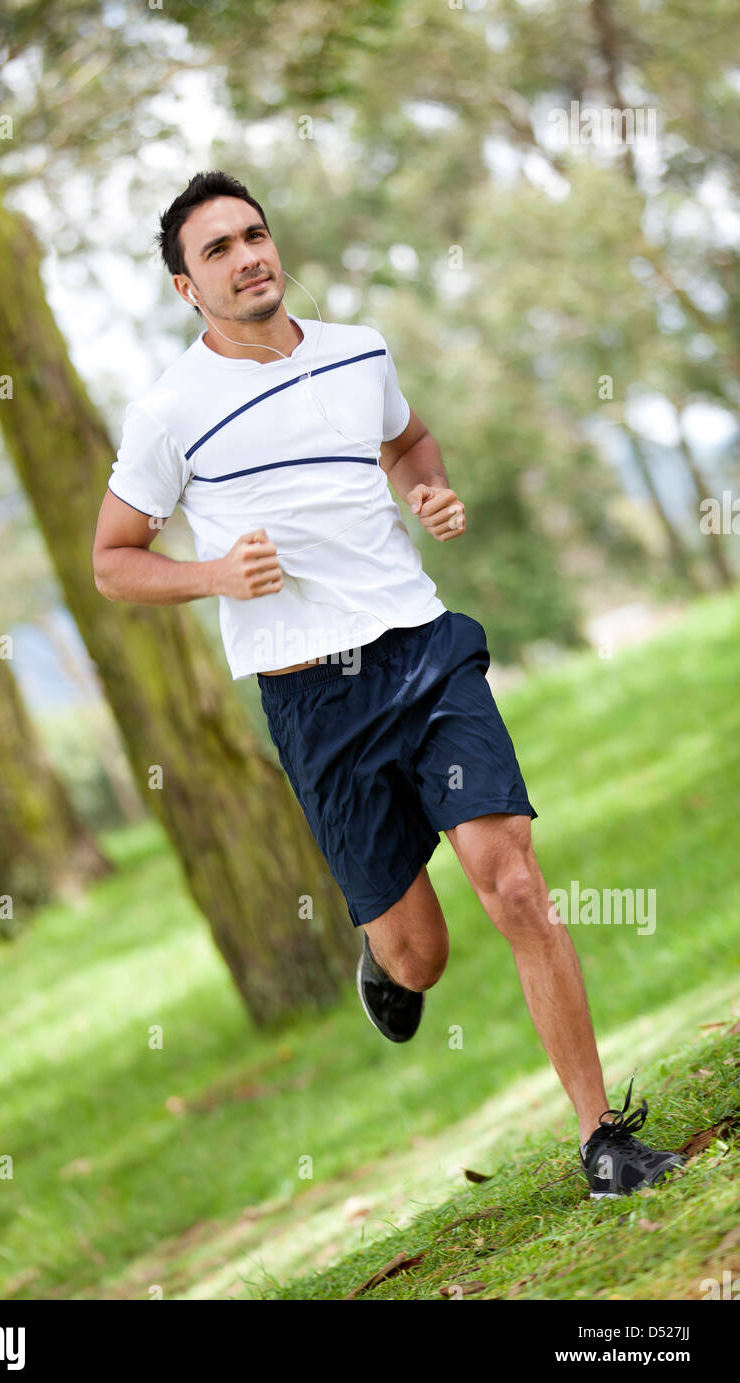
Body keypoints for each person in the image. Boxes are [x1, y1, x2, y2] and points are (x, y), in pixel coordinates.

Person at [92, 169, 687, 1199]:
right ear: (188, 289)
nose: (247, 258)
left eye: (253, 235)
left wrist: (427, 491)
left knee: (513, 883)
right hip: (314, 702)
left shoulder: (358, 348)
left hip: (421, 651)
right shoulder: (167, 412)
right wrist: (212, 576)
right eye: (218, 251)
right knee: (420, 957)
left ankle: (600, 1140)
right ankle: (383, 956)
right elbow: (112, 558)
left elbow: (406, 439)